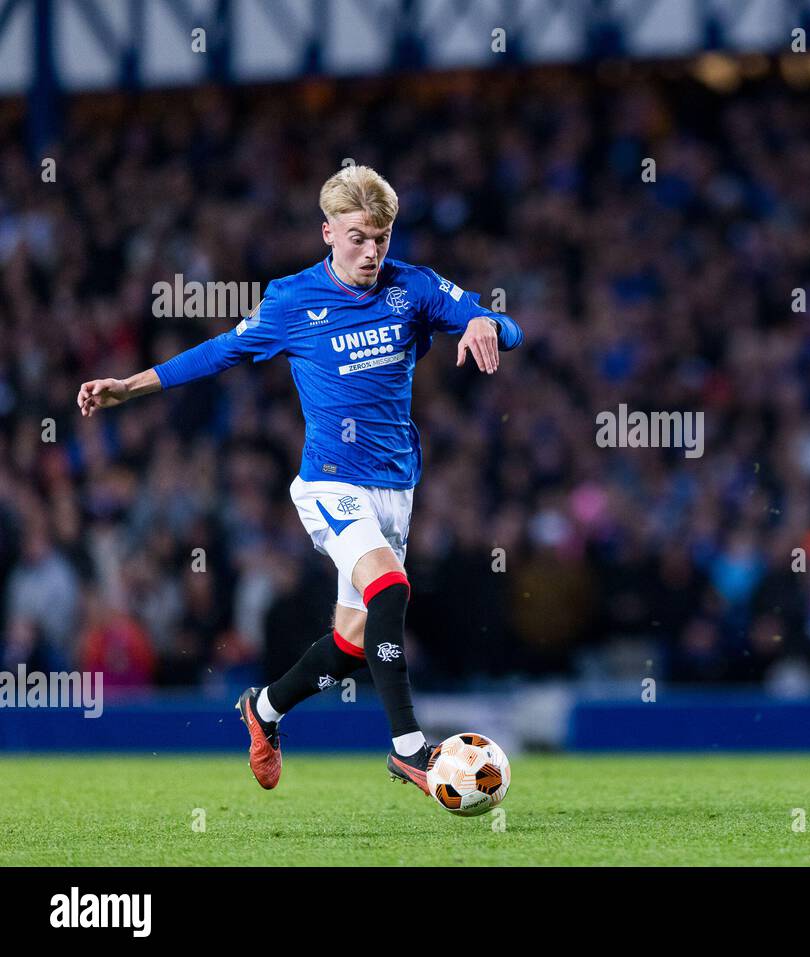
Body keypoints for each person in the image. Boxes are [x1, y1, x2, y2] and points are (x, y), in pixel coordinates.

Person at [76, 165, 523, 796]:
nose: (372, 252)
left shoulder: (414, 288)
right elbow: (218, 351)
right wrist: (131, 384)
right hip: (328, 484)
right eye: (358, 238)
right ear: (328, 233)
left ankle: (264, 710)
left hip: (395, 487)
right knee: (390, 590)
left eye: (382, 238)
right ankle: (410, 749)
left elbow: (505, 324)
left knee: (351, 641)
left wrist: (487, 324)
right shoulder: (293, 300)